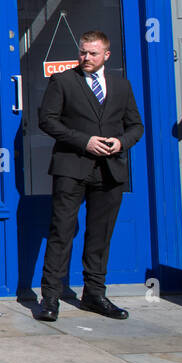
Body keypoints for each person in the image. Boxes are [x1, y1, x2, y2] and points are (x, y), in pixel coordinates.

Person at [34, 30, 143, 322]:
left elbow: (135, 126)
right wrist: (85, 141)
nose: (86, 58)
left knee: (100, 235)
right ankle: (51, 299)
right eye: (83, 52)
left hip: (109, 170)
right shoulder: (63, 81)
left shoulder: (121, 85)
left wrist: (121, 142)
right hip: (71, 167)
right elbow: (47, 120)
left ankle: (94, 295)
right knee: (62, 232)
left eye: (93, 53)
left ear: (106, 55)